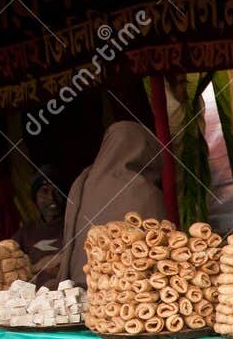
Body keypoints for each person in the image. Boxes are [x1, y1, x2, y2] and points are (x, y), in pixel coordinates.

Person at [55, 121, 168, 286]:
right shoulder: (144, 190)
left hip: (79, 286)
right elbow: (162, 247)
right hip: (128, 293)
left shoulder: (83, 182)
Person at [10, 173, 66, 285]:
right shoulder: (25, 234)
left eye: (57, 191)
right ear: (35, 198)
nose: (51, 198)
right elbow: (10, 268)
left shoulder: (75, 226)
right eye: (44, 191)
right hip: (37, 300)